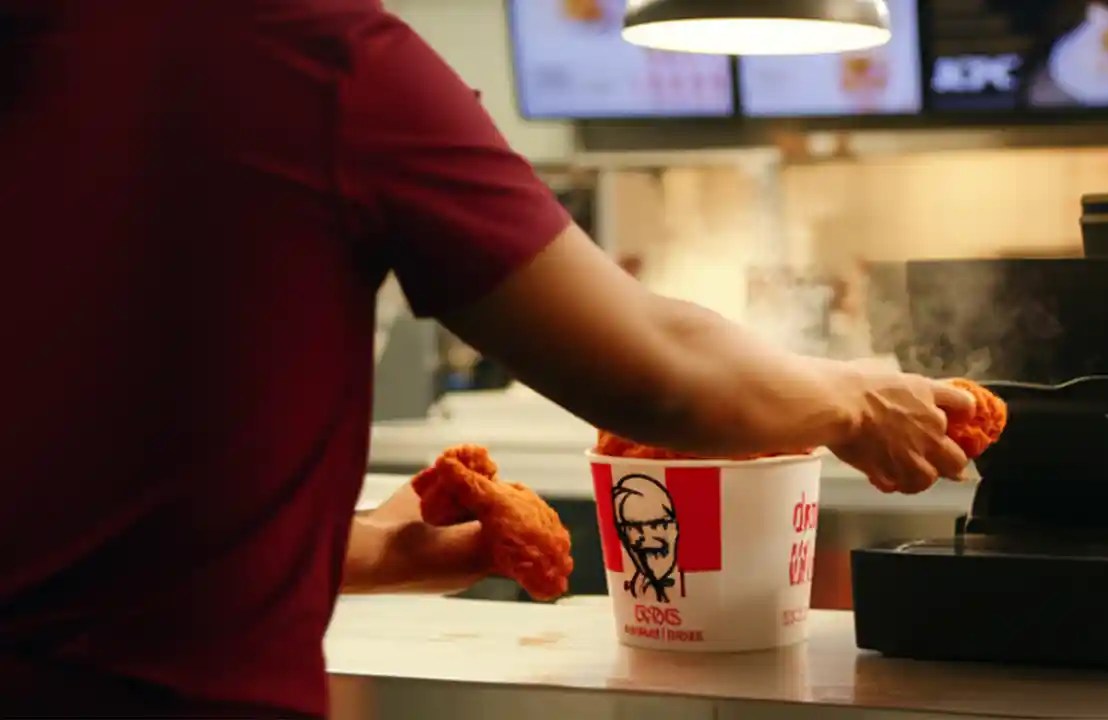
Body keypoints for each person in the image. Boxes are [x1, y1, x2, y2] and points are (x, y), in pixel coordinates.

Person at [0, 1, 975, 716]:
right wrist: (852, 399)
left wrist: (380, 554)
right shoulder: (313, 52)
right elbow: (657, 369)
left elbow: (91, 488)